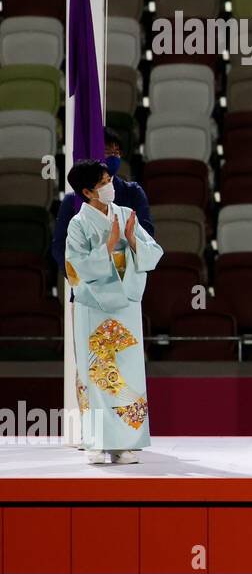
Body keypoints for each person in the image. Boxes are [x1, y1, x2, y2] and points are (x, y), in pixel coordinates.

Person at [64, 159, 164, 464]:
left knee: (127, 374)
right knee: (96, 374)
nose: (109, 186)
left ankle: (126, 443)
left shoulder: (126, 214)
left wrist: (132, 240)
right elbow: (74, 269)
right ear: (87, 191)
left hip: (126, 304)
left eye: (109, 179)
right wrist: (106, 248)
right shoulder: (78, 224)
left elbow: (154, 253)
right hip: (94, 306)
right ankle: (95, 441)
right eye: (102, 182)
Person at [51, 128, 154, 272]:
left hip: (126, 284)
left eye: (116, 152)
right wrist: (83, 278)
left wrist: (123, 272)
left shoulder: (133, 192)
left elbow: (147, 239)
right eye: (107, 151)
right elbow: (59, 246)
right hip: (87, 288)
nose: (113, 157)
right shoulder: (72, 201)